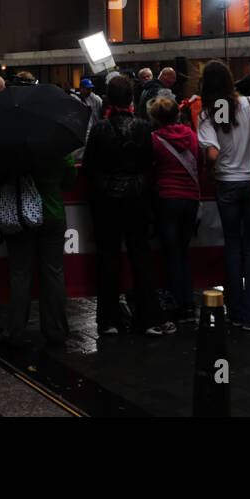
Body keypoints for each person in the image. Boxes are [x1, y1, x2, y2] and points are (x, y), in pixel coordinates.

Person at [82, 73, 170, 337]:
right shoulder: (144, 127)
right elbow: (148, 163)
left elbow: (89, 167)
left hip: (106, 199)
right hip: (137, 197)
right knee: (140, 257)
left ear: (108, 98)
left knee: (107, 258)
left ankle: (108, 320)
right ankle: (149, 317)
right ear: (131, 98)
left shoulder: (99, 129)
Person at [195, 60, 250, 332]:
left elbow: (213, 152)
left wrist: (210, 168)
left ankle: (235, 311)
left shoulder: (208, 113)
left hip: (226, 185)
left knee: (232, 245)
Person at [0, 153, 75, 348]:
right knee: (53, 273)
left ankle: (14, 331)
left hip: (19, 215)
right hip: (53, 214)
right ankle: (56, 330)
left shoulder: (10, 149)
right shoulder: (59, 149)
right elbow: (69, 182)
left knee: (20, 274)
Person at [149, 96, 201, 326]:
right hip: (190, 198)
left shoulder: (154, 140)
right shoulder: (191, 136)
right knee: (183, 251)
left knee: (172, 253)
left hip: (167, 198)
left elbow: (151, 169)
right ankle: (188, 300)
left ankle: (178, 301)